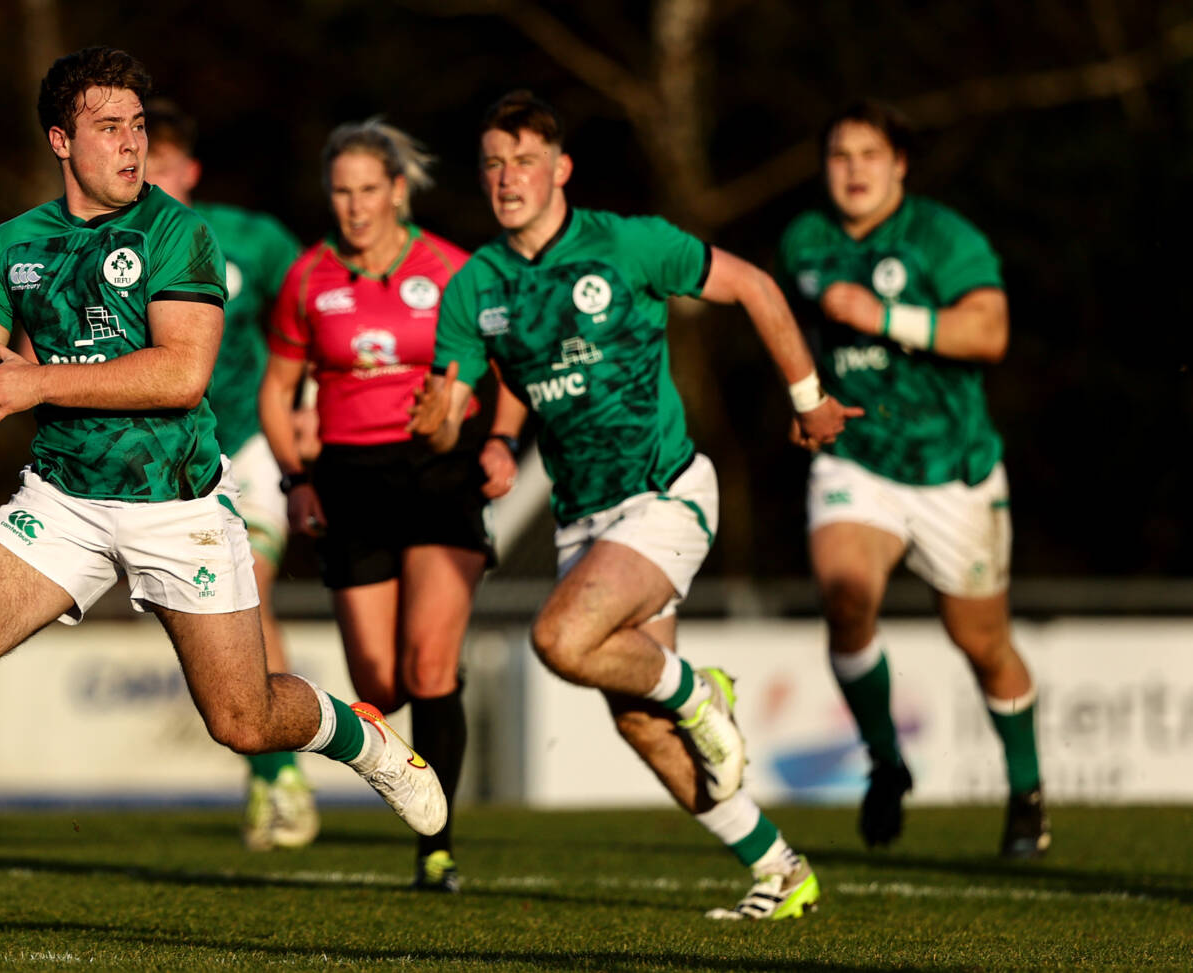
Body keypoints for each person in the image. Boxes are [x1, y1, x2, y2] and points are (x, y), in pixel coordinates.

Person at [0, 47, 446, 937]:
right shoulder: (13, 244)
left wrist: (37, 383)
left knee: (245, 717)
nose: (131, 144)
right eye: (109, 127)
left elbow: (183, 373)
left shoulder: (176, 232)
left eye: (139, 126)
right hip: (63, 500)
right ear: (62, 140)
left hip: (177, 505)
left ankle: (365, 738)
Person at [411, 91, 861, 920]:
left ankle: (699, 689)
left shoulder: (628, 242)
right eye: (494, 165)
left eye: (525, 162)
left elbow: (757, 287)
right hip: (585, 517)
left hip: (665, 492)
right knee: (639, 724)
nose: (508, 179)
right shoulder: (477, 285)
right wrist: (452, 430)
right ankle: (780, 868)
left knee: (559, 638)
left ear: (561, 170)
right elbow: (456, 411)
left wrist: (807, 399)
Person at [259, 119, 528, 892]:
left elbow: (510, 371)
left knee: (430, 663)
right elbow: (275, 394)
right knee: (382, 681)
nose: (354, 206)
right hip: (347, 480)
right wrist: (295, 479)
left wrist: (500, 440)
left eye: (369, 189)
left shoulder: (453, 267)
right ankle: (427, 724)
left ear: (398, 190)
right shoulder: (309, 278)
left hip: (439, 476)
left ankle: (436, 845)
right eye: (341, 191)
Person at [776, 99, 1047, 858]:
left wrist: (885, 315)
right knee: (845, 596)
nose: (854, 169)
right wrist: (801, 398)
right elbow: (791, 331)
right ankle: (886, 761)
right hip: (858, 458)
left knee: (982, 641)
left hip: (951, 465)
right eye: (839, 155)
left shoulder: (940, 234)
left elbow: (990, 330)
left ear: (899, 163)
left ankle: (1025, 789)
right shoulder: (805, 239)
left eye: (869, 154)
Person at [143, 100, 320, 852]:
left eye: (163, 163)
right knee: (208, 613)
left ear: (190, 170)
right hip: (170, 459)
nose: (149, 175)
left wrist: (309, 401)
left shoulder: (249, 237)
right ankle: (270, 764)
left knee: (250, 586)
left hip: (246, 446)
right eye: (139, 160)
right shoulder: (107, 247)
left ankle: (279, 779)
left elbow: (316, 312)